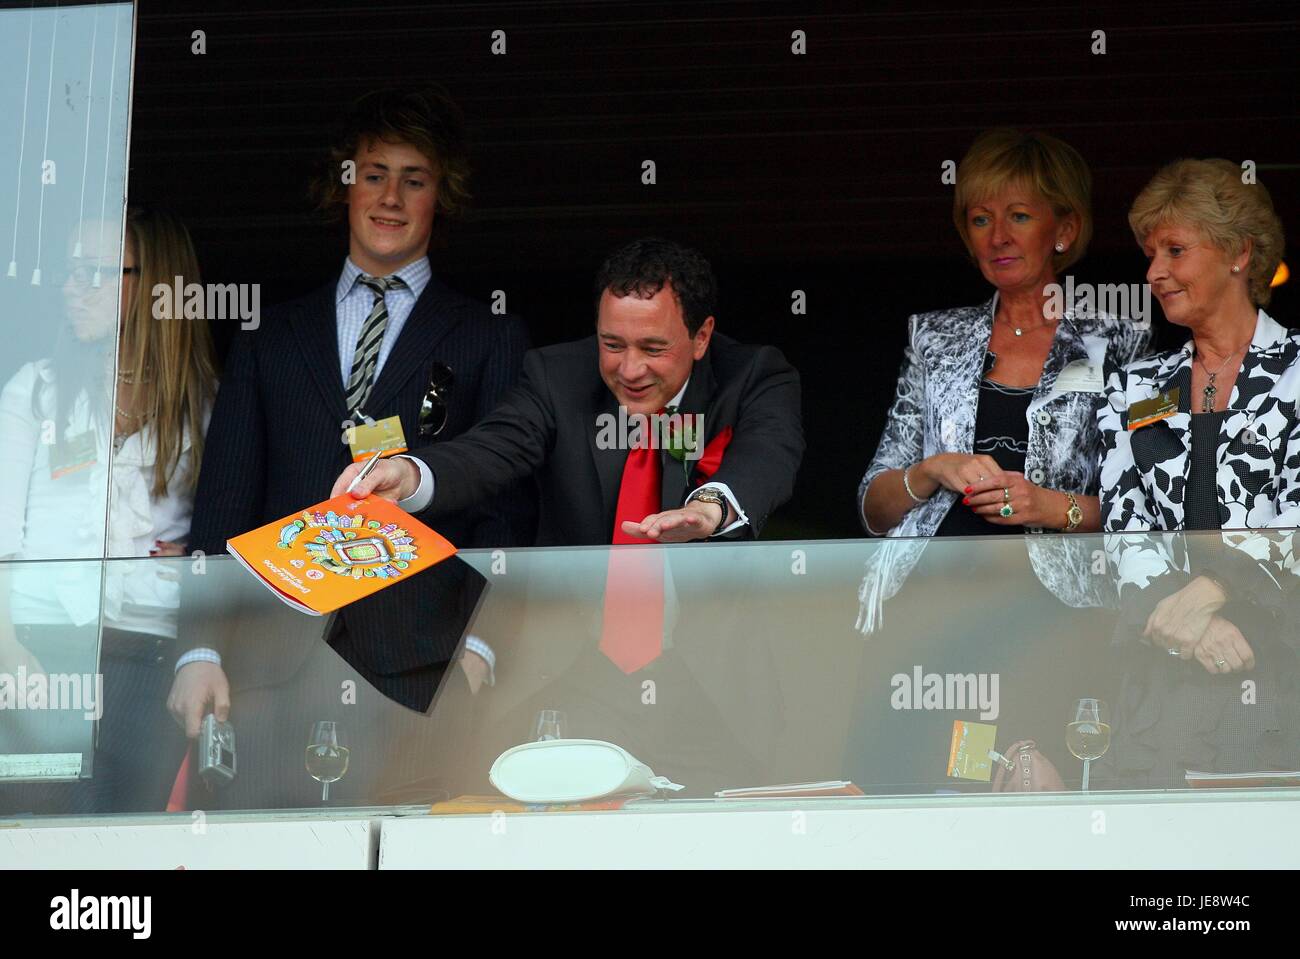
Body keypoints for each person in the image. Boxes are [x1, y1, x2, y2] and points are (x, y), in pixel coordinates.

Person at [168, 85, 533, 734]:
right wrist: (200, 649)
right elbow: (224, 499)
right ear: (344, 186)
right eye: (374, 175)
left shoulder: (489, 335)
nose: (390, 198)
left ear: (440, 196)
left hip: (423, 663)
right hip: (267, 659)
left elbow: (504, 510)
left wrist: (479, 644)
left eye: (413, 180)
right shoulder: (267, 336)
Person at [846, 129, 1149, 793]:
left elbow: (1148, 510)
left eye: (1019, 216)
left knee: (1034, 800)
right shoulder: (935, 335)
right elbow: (873, 504)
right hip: (935, 619)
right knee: (934, 802)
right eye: (980, 219)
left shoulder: (1123, 338)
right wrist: (932, 471)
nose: (997, 236)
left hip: (1054, 625)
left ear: (1065, 229)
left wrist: (1048, 506)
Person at [334, 236, 804, 546]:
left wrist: (712, 507)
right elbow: (491, 449)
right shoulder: (557, 375)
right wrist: (410, 474)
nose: (630, 369)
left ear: (701, 337)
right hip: (574, 652)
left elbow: (769, 454)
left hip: (714, 655)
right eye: (612, 344)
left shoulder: (755, 374)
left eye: (654, 348)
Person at [0, 207, 218, 812]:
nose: (74, 288)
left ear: (156, 285)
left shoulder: (204, 405)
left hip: (150, 657)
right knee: (46, 832)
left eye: (97, 272)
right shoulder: (36, 388)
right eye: (72, 272)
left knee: (127, 839)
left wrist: (201, 553)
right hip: (44, 652)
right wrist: (9, 652)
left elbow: (233, 526)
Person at [1097, 158, 1300, 787]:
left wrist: (1211, 589)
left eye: (1175, 250)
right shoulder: (1138, 387)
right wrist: (1185, 625)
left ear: (1240, 253)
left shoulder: (1298, 372)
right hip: (1163, 683)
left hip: (1283, 671)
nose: (1154, 272)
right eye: (1150, 253)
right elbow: (1122, 528)